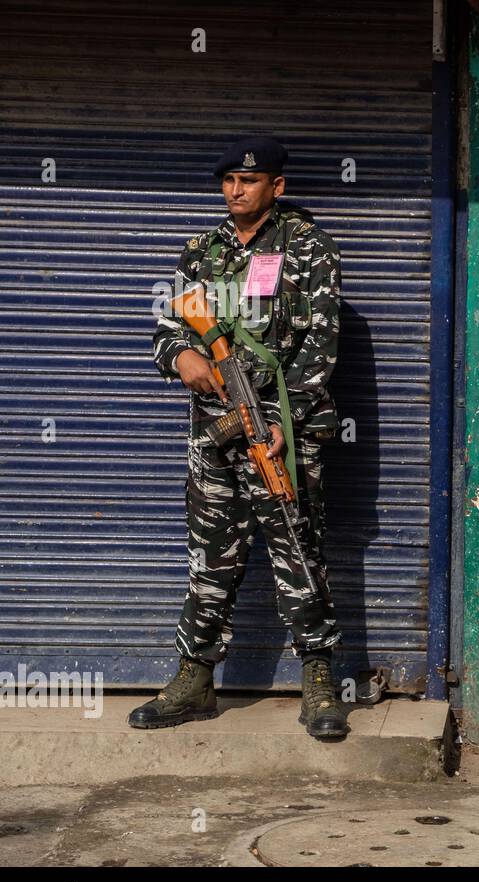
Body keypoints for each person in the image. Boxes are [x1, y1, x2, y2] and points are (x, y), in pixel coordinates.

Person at [130, 135, 347, 738]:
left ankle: (321, 682)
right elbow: (169, 324)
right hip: (214, 434)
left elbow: (319, 348)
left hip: (281, 433)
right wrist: (180, 358)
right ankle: (194, 680)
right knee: (209, 557)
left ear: (276, 188)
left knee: (298, 552)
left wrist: (285, 420)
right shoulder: (202, 252)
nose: (235, 190)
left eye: (249, 181)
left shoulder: (310, 251)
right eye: (228, 180)